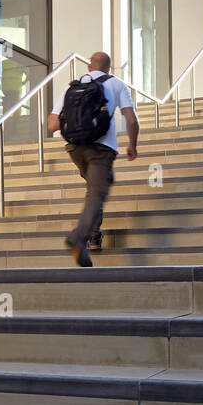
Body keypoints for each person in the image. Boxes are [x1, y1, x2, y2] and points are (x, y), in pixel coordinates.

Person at [48, 51, 139, 267]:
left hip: (75, 148)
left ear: (90, 67)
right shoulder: (117, 84)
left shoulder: (73, 86)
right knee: (98, 191)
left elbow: (52, 125)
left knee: (95, 187)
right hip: (101, 148)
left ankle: (94, 233)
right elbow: (132, 120)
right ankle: (79, 237)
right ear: (109, 68)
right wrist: (132, 145)